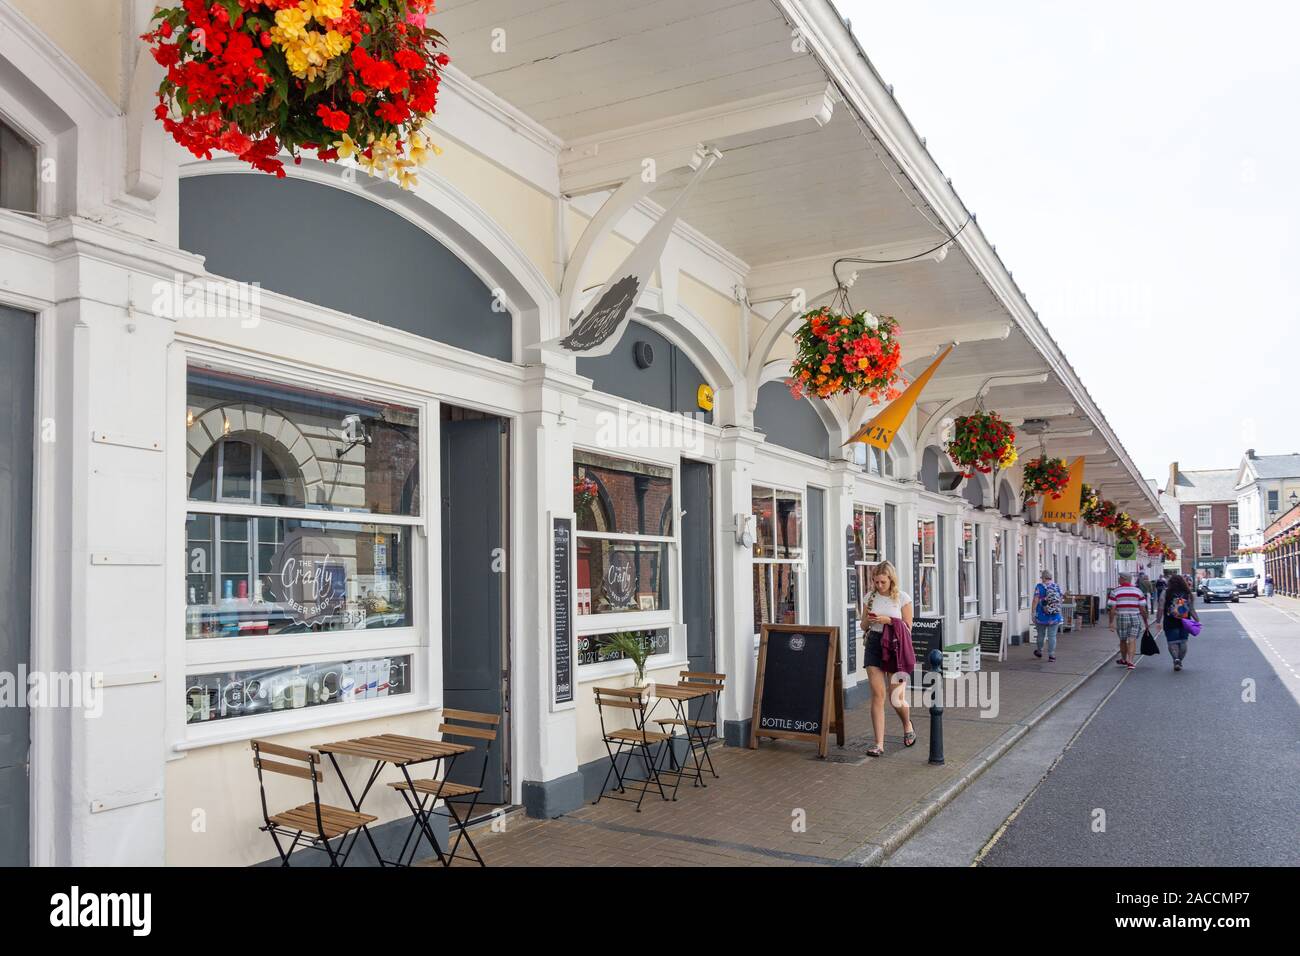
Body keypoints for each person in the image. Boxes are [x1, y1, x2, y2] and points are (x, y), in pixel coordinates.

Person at [859, 560, 915, 757]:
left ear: (891, 580)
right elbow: (862, 626)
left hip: (895, 646)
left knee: (895, 697)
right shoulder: (869, 597)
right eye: (876, 582)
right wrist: (869, 620)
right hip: (874, 644)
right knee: (878, 695)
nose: (879, 586)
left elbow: (908, 627)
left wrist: (889, 620)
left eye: (883, 582)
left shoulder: (902, 598)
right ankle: (878, 744)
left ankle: (907, 725)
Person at [1108, 572, 1149, 670]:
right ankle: (1130, 662)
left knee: (1123, 640)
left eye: (1119, 578)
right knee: (1132, 639)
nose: (1118, 579)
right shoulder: (1138, 591)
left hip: (1122, 617)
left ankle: (1123, 659)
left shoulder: (1115, 591)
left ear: (1123, 579)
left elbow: (1112, 609)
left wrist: (1111, 622)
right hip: (1135, 617)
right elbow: (1143, 609)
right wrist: (1146, 622)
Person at [1160, 573, 1199, 671]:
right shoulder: (1187, 593)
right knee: (1183, 642)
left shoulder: (1166, 592)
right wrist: (1197, 620)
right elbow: (1191, 609)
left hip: (1170, 621)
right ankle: (1179, 660)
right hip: (1185, 621)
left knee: (1172, 642)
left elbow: (1160, 607)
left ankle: (1176, 659)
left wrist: (1157, 621)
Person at [1031, 569, 1064, 661]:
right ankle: (1051, 655)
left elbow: (1035, 600)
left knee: (1041, 634)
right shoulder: (1057, 586)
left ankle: (1039, 651)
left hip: (1041, 615)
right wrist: (1057, 610)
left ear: (1044, 578)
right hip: (1054, 616)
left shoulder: (1039, 587)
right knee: (1052, 636)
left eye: (1042, 578)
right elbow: (1060, 600)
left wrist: (1033, 613)